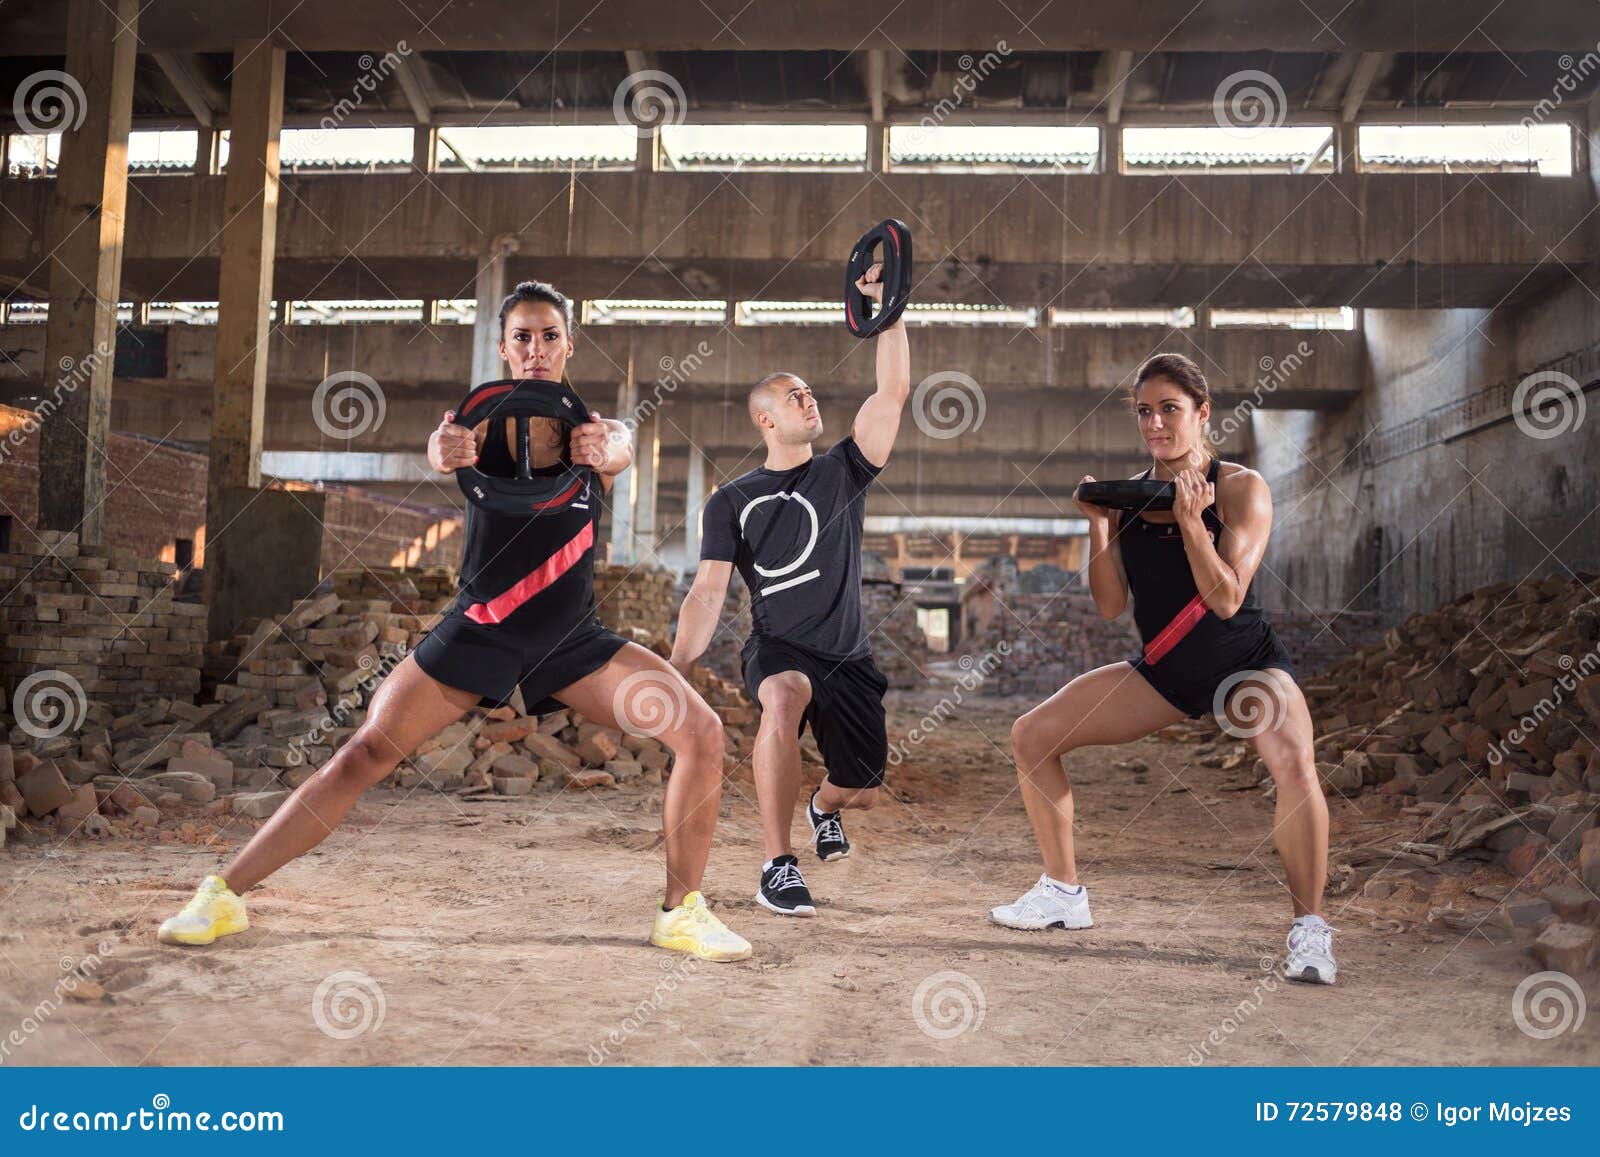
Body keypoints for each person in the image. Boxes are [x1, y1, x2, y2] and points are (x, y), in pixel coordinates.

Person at [157, 281, 751, 963]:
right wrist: (443, 448)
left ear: (568, 345)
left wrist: (612, 441)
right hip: (480, 628)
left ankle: (680, 913)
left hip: (571, 641)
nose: (535, 348)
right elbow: (443, 446)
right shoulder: (477, 430)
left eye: (549, 335)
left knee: (702, 731)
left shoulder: (592, 435)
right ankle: (222, 894)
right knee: (363, 754)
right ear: (502, 347)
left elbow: (617, 442)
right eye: (522, 336)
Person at [988, 352, 1336, 985]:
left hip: (1243, 667)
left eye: (1170, 409)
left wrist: (1191, 523)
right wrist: (1098, 525)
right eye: (1145, 412)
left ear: (1202, 414)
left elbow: (1228, 597)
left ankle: (1310, 930)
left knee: (1293, 763)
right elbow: (1111, 605)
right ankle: (1064, 895)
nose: (1155, 423)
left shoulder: (1239, 488)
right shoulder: (1125, 500)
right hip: (1164, 672)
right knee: (1031, 736)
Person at [670, 262, 909, 917]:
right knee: (782, 696)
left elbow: (892, 390)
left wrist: (890, 307)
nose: (808, 398)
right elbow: (707, 593)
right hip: (778, 645)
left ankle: (822, 805)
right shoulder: (731, 500)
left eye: (809, 391)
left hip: (849, 657)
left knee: (861, 788)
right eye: (792, 394)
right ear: (766, 420)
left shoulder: (843, 473)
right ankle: (778, 866)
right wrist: (674, 672)